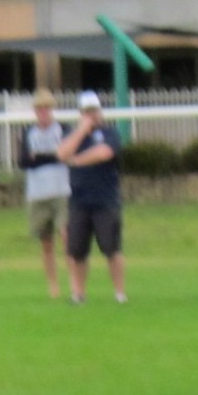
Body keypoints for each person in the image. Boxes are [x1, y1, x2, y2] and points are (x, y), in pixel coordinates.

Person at [56, 91, 126, 304]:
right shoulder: (72, 134)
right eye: (87, 112)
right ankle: (78, 294)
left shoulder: (110, 133)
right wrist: (81, 131)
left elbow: (104, 153)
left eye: (94, 110)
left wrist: (76, 161)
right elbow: (61, 153)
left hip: (105, 200)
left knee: (111, 248)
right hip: (79, 201)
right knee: (76, 251)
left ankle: (120, 293)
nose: (92, 115)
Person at [16, 88, 71, 299]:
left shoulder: (63, 129)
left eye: (47, 108)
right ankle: (53, 286)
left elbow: (65, 154)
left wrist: (39, 156)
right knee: (46, 243)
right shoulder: (28, 132)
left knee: (66, 237)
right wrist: (50, 155)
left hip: (62, 191)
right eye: (40, 108)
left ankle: (73, 282)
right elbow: (24, 161)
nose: (43, 112)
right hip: (38, 194)